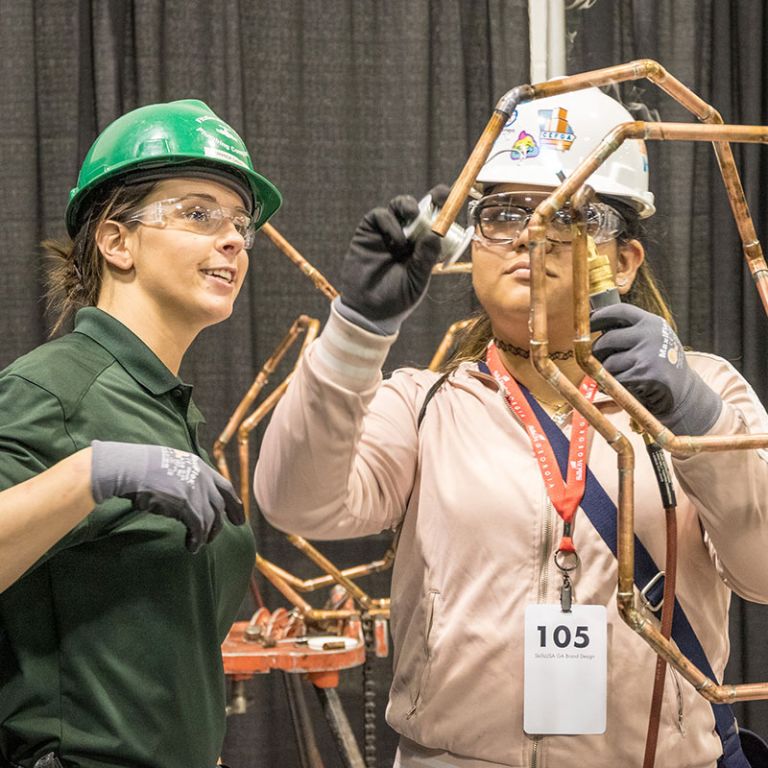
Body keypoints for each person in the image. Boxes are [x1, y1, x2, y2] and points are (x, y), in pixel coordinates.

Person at [255, 88, 768, 767]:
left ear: (623, 262)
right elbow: (295, 501)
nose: (531, 233)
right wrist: (356, 332)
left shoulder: (707, 393)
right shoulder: (426, 406)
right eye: (504, 213)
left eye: (569, 213)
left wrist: (696, 421)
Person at [0, 99, 281, 768]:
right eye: (198, 214)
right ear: (116, 241)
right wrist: (94, 472)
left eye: (240, 223)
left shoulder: (163, 407)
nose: (233, 239)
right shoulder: (53, 390)